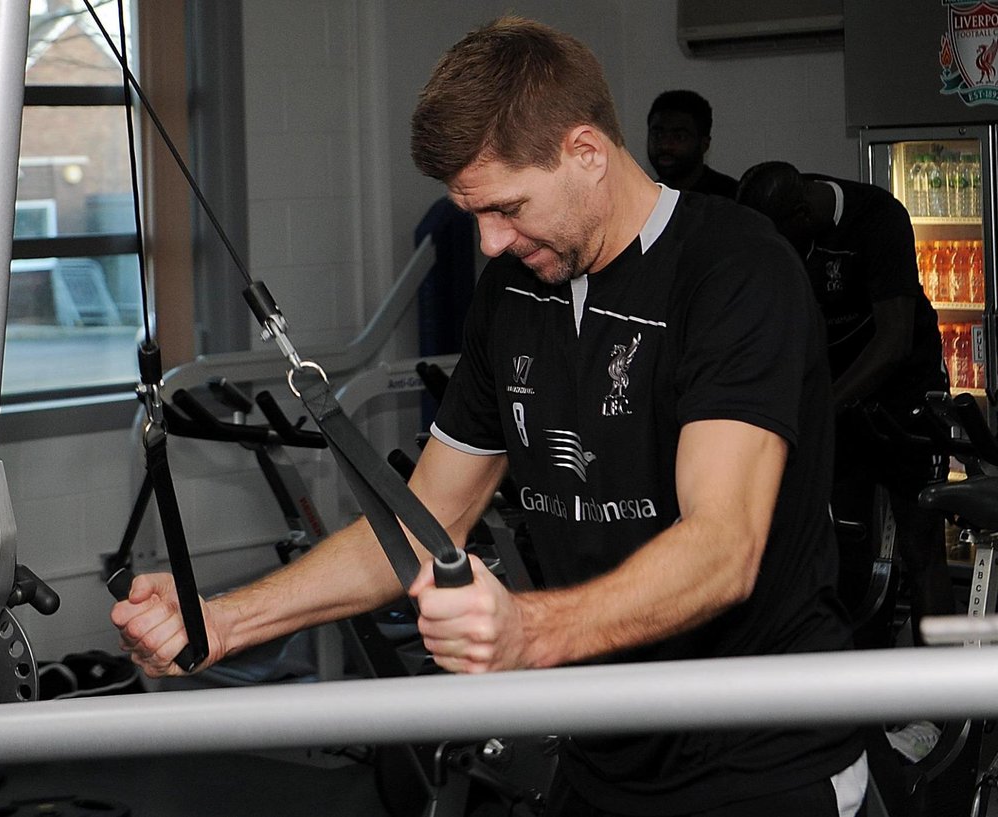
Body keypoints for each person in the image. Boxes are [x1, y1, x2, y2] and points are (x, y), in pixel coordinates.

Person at [113, 18, 866, 817]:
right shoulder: (509, 297)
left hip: (761, 761)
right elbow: (424, 520)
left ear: (587, 151)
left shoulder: (735, 268)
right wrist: (223, 619)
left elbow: (723, 548)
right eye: (473, 213)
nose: (490, 241)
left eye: (506, 207)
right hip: (604, 753)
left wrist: (529, 633)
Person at [736, 161, 954, 653]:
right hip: (837, 400)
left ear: (801, 213)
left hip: (905, 398)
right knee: (835, 547)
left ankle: (939, 706)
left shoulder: (877, 217)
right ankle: (853, 685)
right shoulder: (781, 229)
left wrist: (823, 405)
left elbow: (893, 340)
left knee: (922, 548)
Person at [645, 90, 738, 197]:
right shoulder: (642, 198)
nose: (665, 145)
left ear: (704, 144)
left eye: (679, 137)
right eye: (658, 135)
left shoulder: (732, 200)